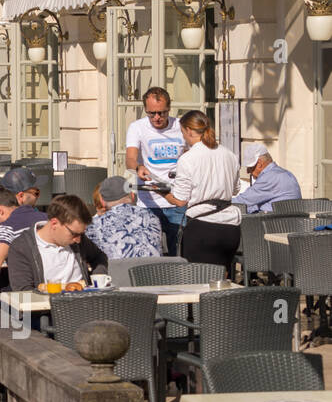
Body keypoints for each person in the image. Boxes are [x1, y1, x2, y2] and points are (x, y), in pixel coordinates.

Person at [165, 110, 241, 267]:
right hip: (230, 228)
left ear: (189, 130)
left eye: (182, 132)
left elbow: (180, 201)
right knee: (222, 281)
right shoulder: (229, 155)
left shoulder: (188, 159)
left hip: (203, 228)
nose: (183, 137)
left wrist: (161, 192)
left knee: (197, 282)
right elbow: (235, 190)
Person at [125, 86, 185, 254]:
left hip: (177, 199)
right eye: (152, 113)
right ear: (145, 110)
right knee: (148, 252)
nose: (157, 118)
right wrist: (138, 167)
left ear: (169, 109)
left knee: (179, 252)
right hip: (148, 200)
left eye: (162, 113)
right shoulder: (137, 127)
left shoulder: (180, 126)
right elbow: (130, 158)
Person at [7, 195, 109, 292]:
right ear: (54, 223)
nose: (78, 240)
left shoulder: (79, 241)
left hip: (86, 305)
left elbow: (99, 257)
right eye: (74, 234)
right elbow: (23, 291)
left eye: (81, 234)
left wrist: (98, 280)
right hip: (47, 308)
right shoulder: (21, 247)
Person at [0, 170, 48, 295]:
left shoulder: (7, 227)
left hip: (25, 294)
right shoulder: (48, 219)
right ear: (20, 197)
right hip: (54, 289)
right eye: (36, 193)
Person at [86, 176, 165, 259]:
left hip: (117, 271)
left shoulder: (94, 225)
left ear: (102, 201)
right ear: (132, 195)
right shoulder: (152, 217)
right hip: (155, 270)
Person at [232, 143, 302, 214]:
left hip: (276, 221)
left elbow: (243, 201)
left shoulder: (270, 177)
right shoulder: (285, 173)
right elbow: (256, 204)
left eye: (250, 168)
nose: (248, 171)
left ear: (259, 164)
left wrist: (222, 205)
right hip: (289, 220)